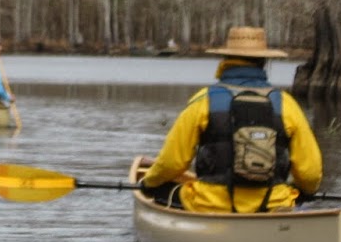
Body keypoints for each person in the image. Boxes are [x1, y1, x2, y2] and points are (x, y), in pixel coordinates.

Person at [138, 26, 322, 213]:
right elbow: (311, 173)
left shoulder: (204, 100)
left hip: (210, 204)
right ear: (263, 62)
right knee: (292, 195)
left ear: (225, 61)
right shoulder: (287, 104)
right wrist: (306, 192)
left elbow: (172, 163)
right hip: (274, 205)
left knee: (161, 191)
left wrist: (149, 183)